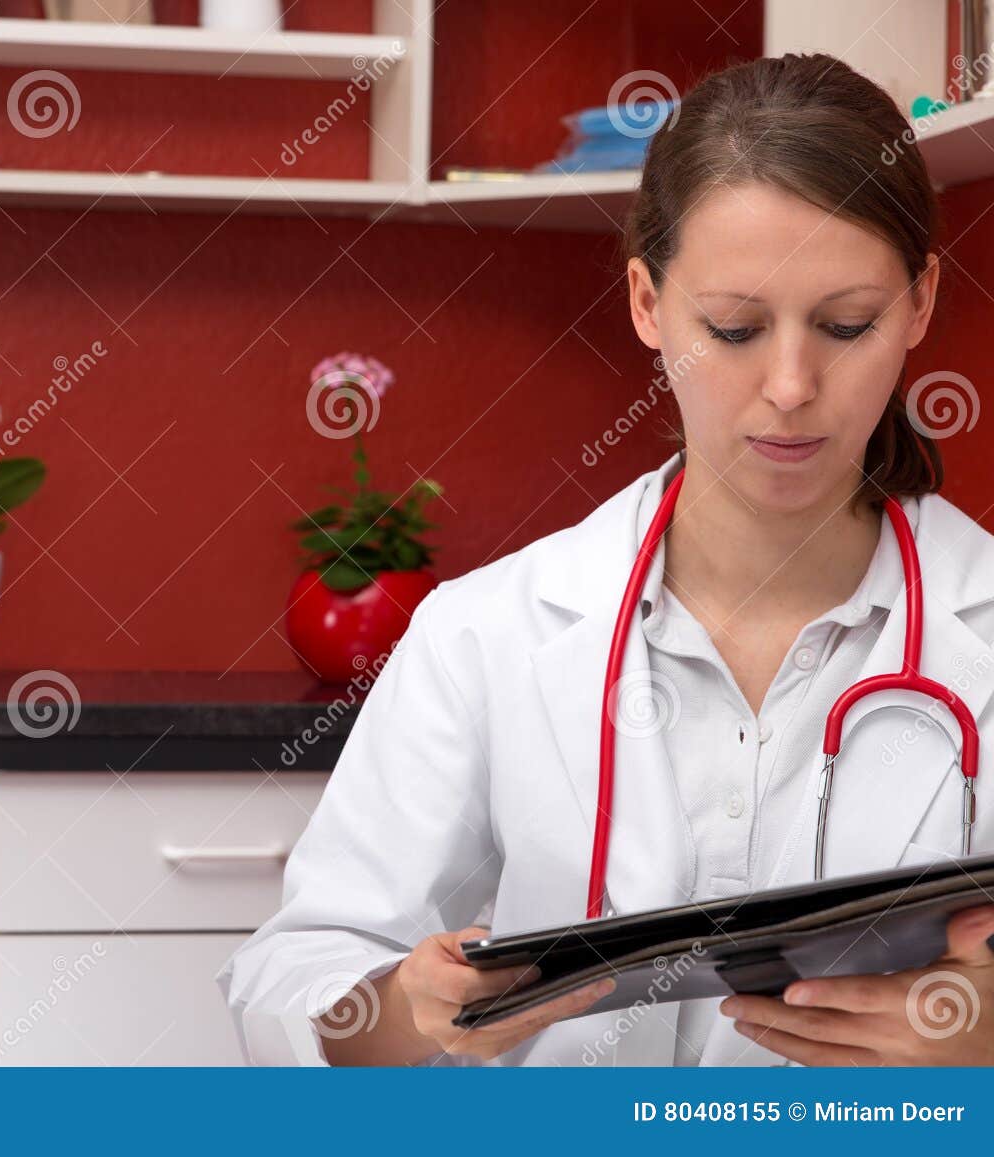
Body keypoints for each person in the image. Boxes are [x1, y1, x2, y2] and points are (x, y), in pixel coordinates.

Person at [219, 52, 994, 1067]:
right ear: (644, 302)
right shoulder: (486, 631)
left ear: (921, 303)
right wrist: (402, 1011)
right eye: (733, 327)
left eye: (847, 325)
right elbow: (291, 977)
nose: (792, 384)